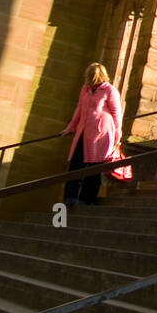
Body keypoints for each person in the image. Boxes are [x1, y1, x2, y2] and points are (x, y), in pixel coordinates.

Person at [62, 63, 123, 206]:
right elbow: (79, 108)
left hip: (101, 135)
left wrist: (117, 137)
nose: (88, 79)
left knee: (94, 168)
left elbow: (117, 114)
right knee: (75, 165)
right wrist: (70, 127)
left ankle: (86, 199)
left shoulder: (110, 90)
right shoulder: (85, 89)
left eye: (90, 76)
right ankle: (70, 198)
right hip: (83, 133)